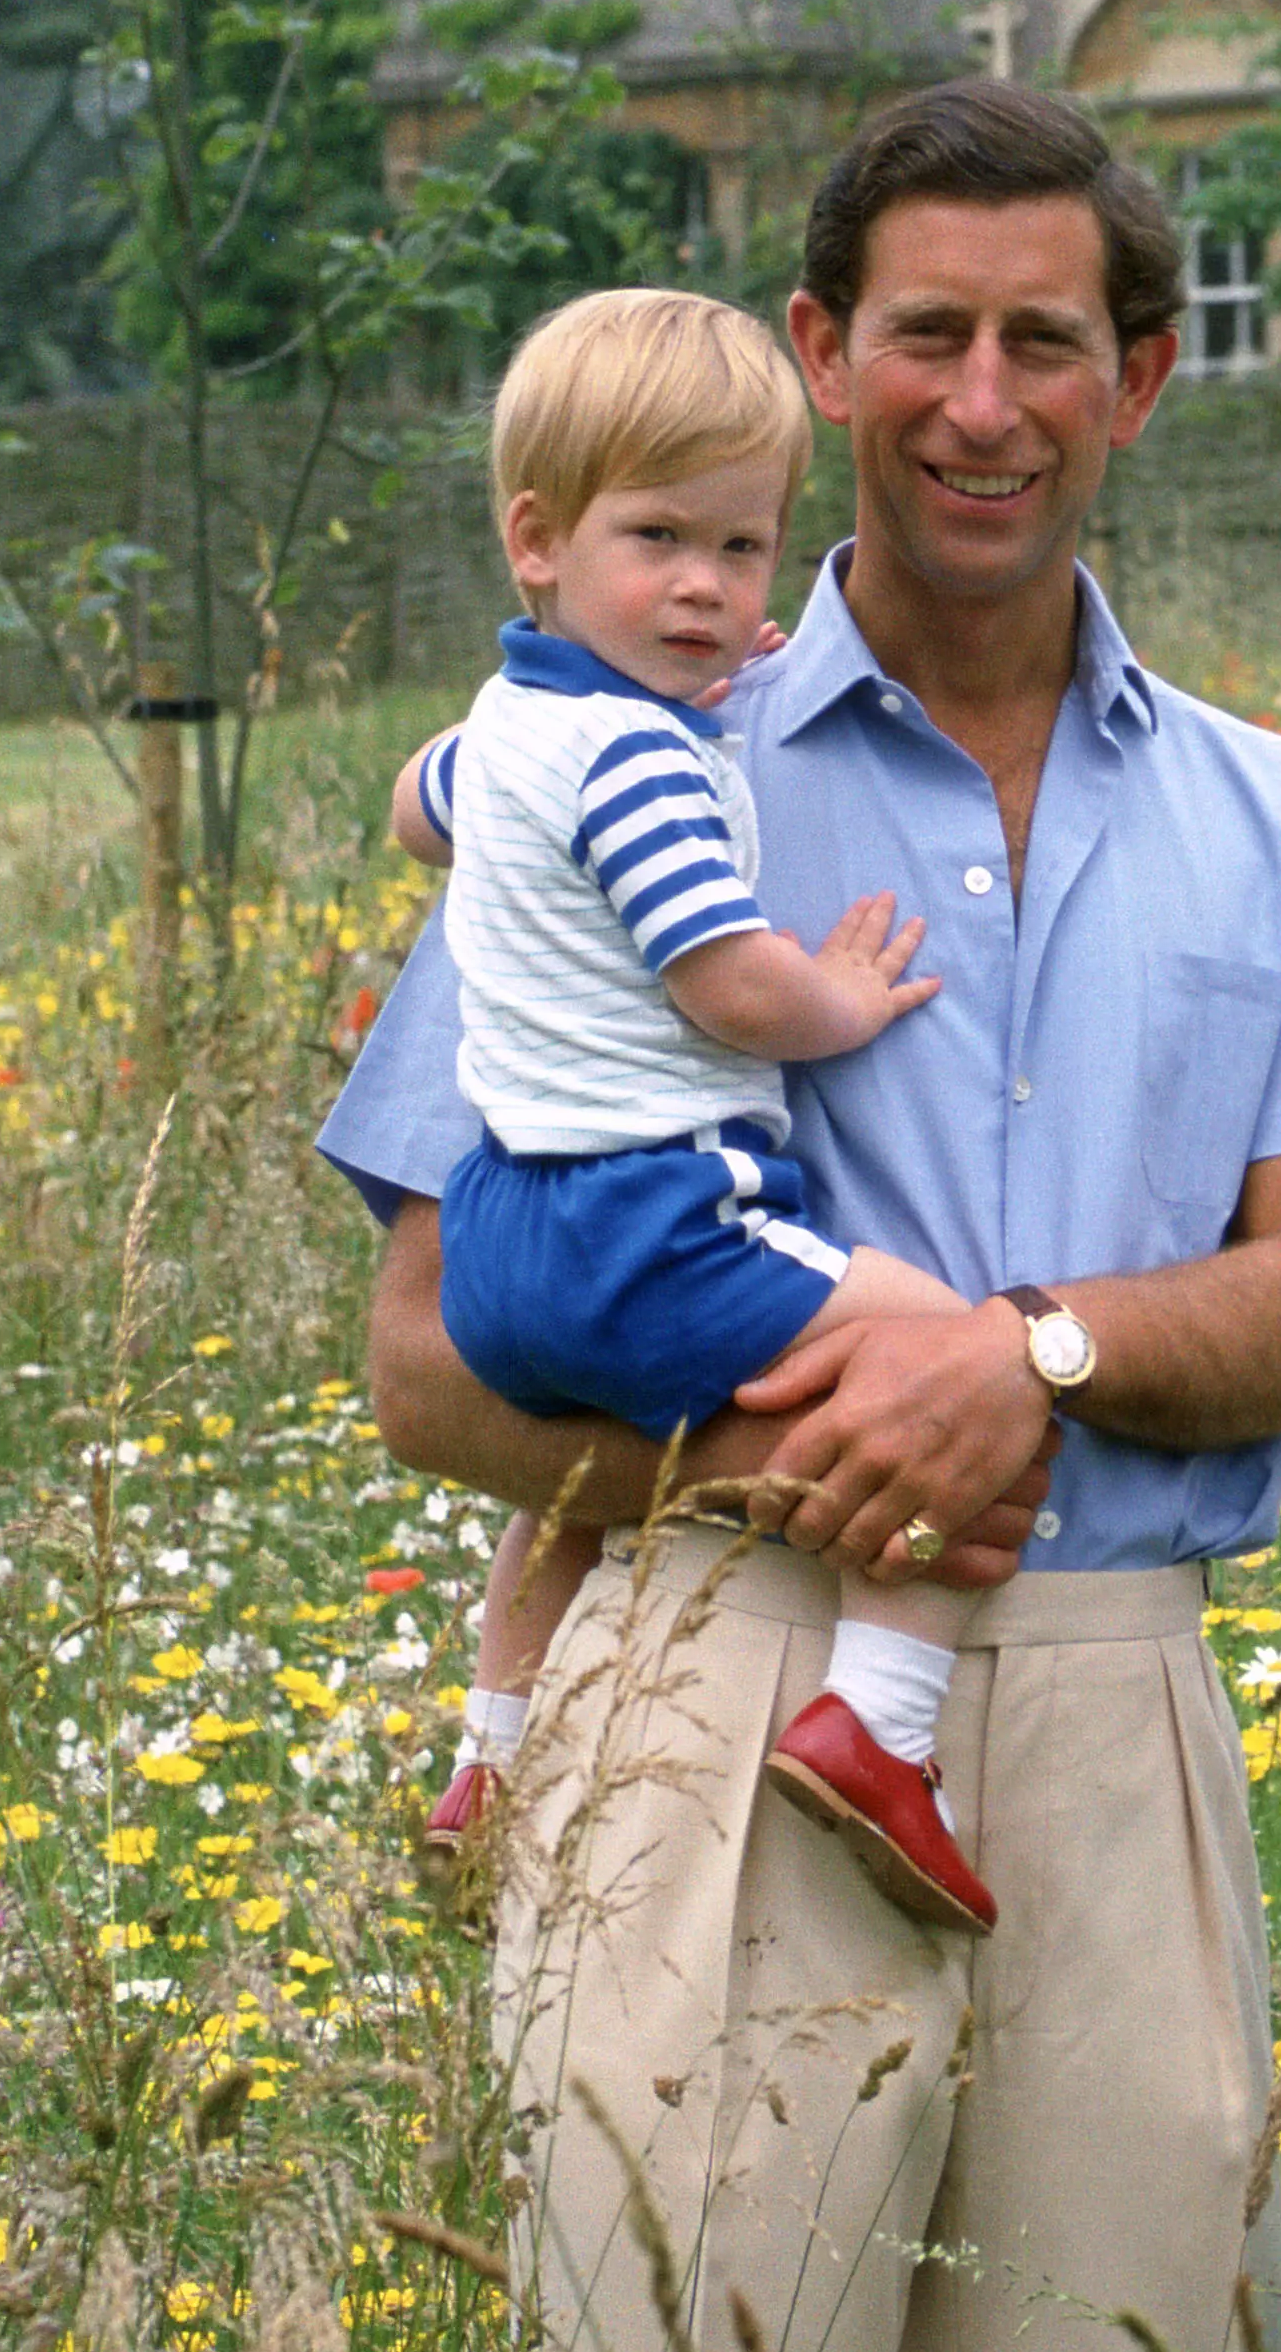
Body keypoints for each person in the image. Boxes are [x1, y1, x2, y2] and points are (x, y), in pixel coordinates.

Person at [316, 85, 1281, 2352]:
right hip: (720, 1667)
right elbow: (423, 1348)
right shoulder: (614, 754)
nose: (982, 400)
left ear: (1145, 377)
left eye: (1046, 342)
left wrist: (1033, 1354)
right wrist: (797, 1443)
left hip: (1099, 1708)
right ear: (823, 356)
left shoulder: (1280, 820)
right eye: (924, 335)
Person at [393, 282, 992, 1936]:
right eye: (660, 540)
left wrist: (674, 697)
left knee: (567, 1498)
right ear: (536, 537)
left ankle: (492, 1753)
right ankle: (882, 1726)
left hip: (507, 1236)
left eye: (742, 551)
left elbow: (414, 809)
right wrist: (845, 998)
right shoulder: (641, 764)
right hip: (658, 1211)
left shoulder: (511, 725)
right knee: (956, 1368)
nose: (707, 590)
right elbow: (724, 983)